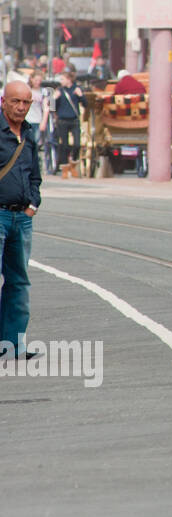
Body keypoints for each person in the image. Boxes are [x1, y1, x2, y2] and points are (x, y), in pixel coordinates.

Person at [0, 80, 41, 359]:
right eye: (16, 101)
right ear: (4, 101)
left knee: (19, 281)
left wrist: (33, 204)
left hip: (22, 218)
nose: (21, 107)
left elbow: (35, 175)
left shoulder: (28, 134)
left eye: (26, 102)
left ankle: (13, 345)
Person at [51, 69, 84, 169]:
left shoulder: (76, 89)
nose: (61, 81)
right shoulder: (60, 91)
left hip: (74, 120)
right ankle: (65, 167)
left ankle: (73, 161)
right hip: (62, 120)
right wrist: (54, 99)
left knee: (77, 144)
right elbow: (52, 108)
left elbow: (85, 104)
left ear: (68, 79)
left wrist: (81, 96)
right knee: (64, 145)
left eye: (62, 79)